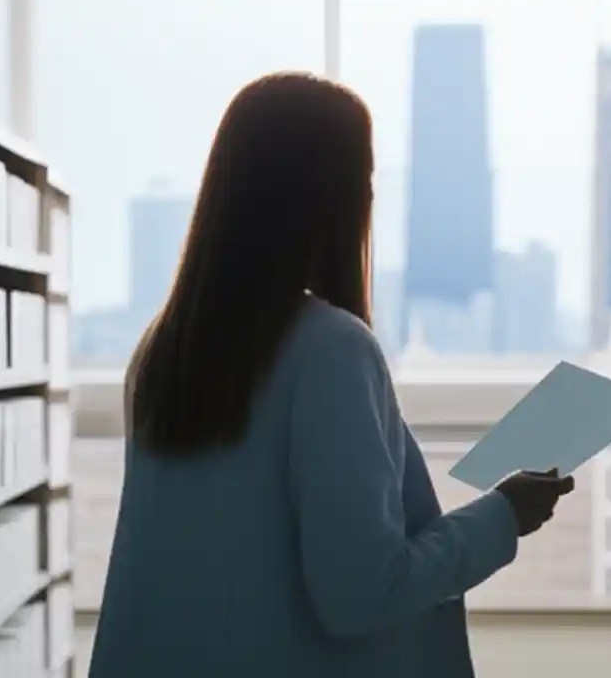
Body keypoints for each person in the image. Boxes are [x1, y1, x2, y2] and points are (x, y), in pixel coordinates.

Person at [89, 72, 574, 677]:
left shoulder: (163, 350)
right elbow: (359, 593)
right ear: (332, 198)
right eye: (363, 181)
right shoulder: (330, 351)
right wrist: (505, 515)